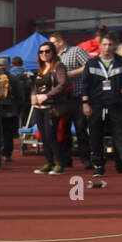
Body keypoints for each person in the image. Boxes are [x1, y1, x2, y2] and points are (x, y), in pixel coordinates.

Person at [82, 34, 122, 177]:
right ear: (100, 46)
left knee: (121, 136)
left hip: (117, 105)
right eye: (105, 44)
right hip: (96, 105)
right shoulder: (92, 63)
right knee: (95, 136)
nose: (107, 47)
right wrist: (85, 103)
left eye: (110, 44)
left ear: (115, 46)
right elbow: (85, 85)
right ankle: (99, 166)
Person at [51, 32, 91, 168]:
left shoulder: (76, 51)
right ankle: (66, 160)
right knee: (64, 130)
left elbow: (89, 65)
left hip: (78, 96)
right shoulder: (54, 58)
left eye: (53, 42)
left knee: (81, 129)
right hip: (63, 99)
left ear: (60, 42)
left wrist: (69, 74)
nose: (51, 46)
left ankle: (86, 160)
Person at [31, 41, 70, 173]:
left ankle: (59, 163)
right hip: (39, 108)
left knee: (51, 135)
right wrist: (33, 96)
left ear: (53, 52)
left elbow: (62, 83)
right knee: (43, 135)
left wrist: (47, 96)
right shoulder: (41, 69)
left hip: (52, 107)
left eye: (47, 51)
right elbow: (36, 86)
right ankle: (48, 162)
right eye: (41, 52)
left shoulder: (58, 66)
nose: (44, 54)